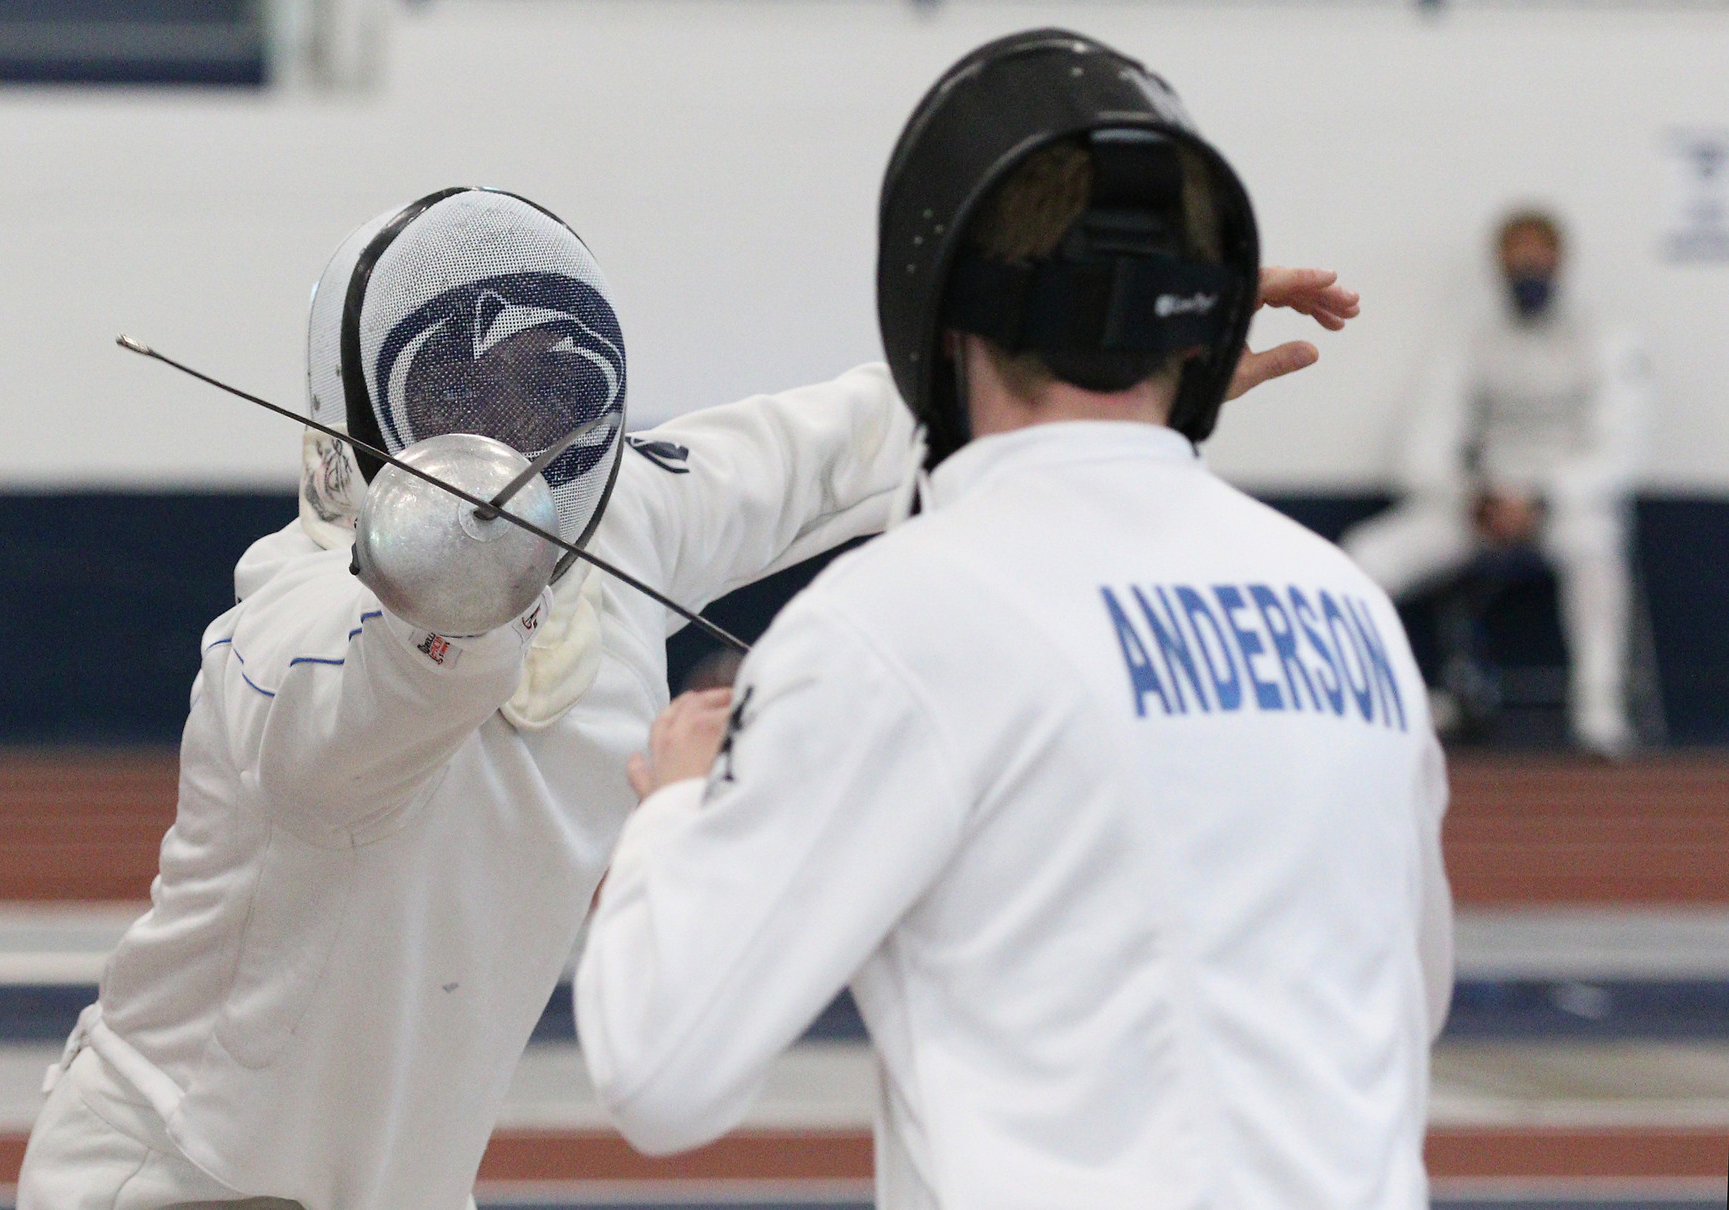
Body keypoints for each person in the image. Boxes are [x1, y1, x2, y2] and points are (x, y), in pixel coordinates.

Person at [575, 31, 1453, 1210]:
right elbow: (1408, 995)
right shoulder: (1346, 605)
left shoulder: (897, 619)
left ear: (936, 307)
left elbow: (659, 1066)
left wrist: (679, 809)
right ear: (1196, 325)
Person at [17, 187, 925, 1210]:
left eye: (546, 393)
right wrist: (450, 591)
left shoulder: (620, 525)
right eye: (465, 395)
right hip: (183, 1179)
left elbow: (836, 450)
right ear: (360, 411)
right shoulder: (284, 634)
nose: (509, 434)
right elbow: (388, 682)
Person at [1342, 208, 1648, 756]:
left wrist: (1545, 498)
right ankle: (1389, 701)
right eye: (1517, 257)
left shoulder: (1605, 333)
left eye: (1539, 257)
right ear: (1499, 264)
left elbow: (1620, 447)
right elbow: (1426, 437)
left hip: (1564, 502)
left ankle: (1599, 710)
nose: (1528, 268)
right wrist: (1475, 496)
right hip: (1482, 500)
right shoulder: (1470, 333)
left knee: (1598, 550)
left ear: (1560, 261)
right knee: (1365, 558)